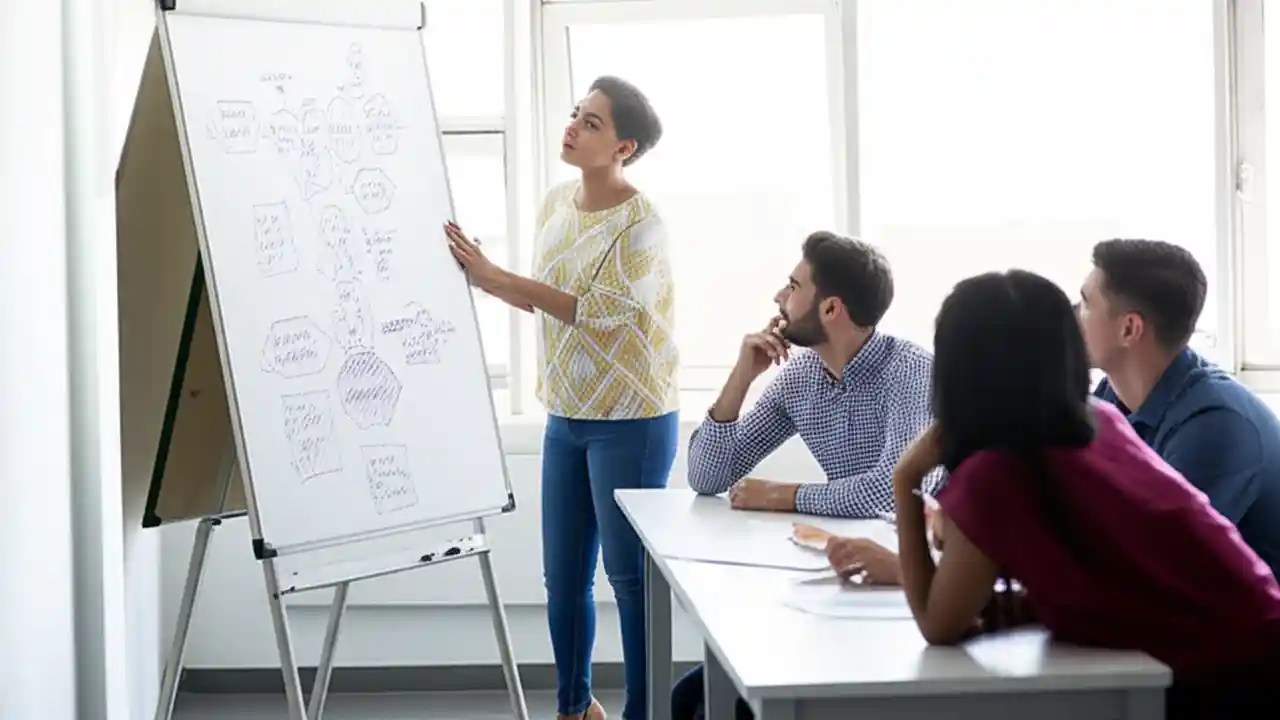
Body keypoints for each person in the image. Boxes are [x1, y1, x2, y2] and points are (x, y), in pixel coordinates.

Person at [894, 269, 1280, 720]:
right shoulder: (1099, 421)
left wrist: (906, 481)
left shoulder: (995, 472)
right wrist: (1026, 608)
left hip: (1225, 678)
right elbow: (1120, 563)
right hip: (1256, 636)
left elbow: (938, 625)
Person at [446, 76, 676, 720]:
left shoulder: (643, 223)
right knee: (563, 577)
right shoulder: (555, 204)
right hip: (566, 411)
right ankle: (574, 710)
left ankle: (643, 713)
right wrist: (488, 281)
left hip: (631, 418)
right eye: (576, 114)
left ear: (623, 147)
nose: (573, 127)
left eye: (593, 123)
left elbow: (603, 311)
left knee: (629, 580)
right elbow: (539, 299)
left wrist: (495, 275)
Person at [672, 232, 941, 720]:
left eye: (792, 286)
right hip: (848, 572)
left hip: (919, 583)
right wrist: (742, 376)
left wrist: (784, 495)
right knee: (693, 696)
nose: (779, 298)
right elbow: (707, 475)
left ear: (831, 309)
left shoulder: (913, 374)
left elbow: (891, 490)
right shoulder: (800, 380)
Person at [1079, 239, 1280, 579]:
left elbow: (1153, 561)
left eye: (1085, 304)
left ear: (1129, 328)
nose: (1073, 316)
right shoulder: (1114, 395)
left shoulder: (1217, 425)